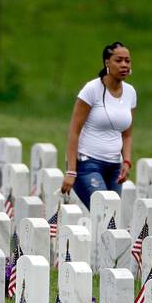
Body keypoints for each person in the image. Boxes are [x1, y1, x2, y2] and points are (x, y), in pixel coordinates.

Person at [62, 42, 135, 209]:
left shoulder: (131, 92)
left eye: (128, 61)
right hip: (88, 164)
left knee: (111, 221)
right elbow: (74, 131)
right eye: (119, 60)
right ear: (107, 62)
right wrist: (71, 171)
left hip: (115, 167)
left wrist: (126, 162)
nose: (124, 65)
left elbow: (127, 134)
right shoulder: (92, 90)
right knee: (103, 211)